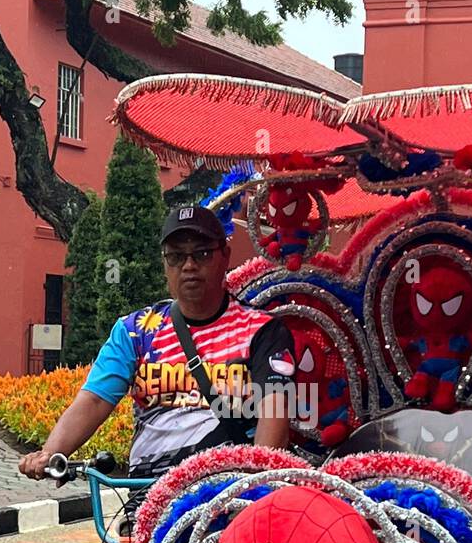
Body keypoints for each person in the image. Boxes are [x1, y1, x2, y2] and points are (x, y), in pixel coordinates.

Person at [18, 203, 295, 481]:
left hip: (226, 496)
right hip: (147, 493)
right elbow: (93, 400)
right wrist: (49, 453)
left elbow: (274, 411)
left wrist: (255, 487)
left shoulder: (262, 331)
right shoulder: (134, 331)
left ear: (225, 257)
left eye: (202, 254)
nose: (189, 266)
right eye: (176, 256)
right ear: (164, 264)